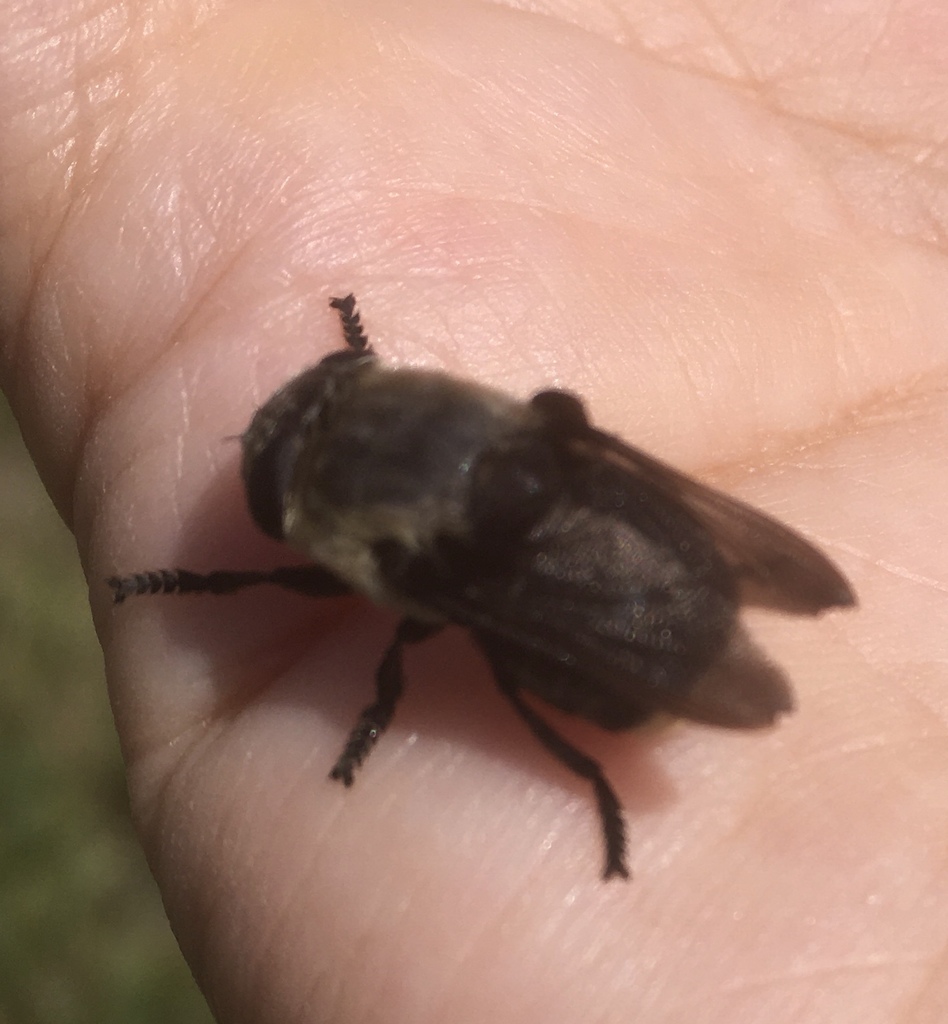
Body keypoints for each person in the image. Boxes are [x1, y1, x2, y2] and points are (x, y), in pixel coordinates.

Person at [2, 3, 944, 1021]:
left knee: (492, 652)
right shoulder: (483, 431)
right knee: (515, 590)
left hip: (634, 630)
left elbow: (323, 588)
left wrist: (216, 606)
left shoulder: (403, 557)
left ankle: (587, 766)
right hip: (667, 554)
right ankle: (606, 741)